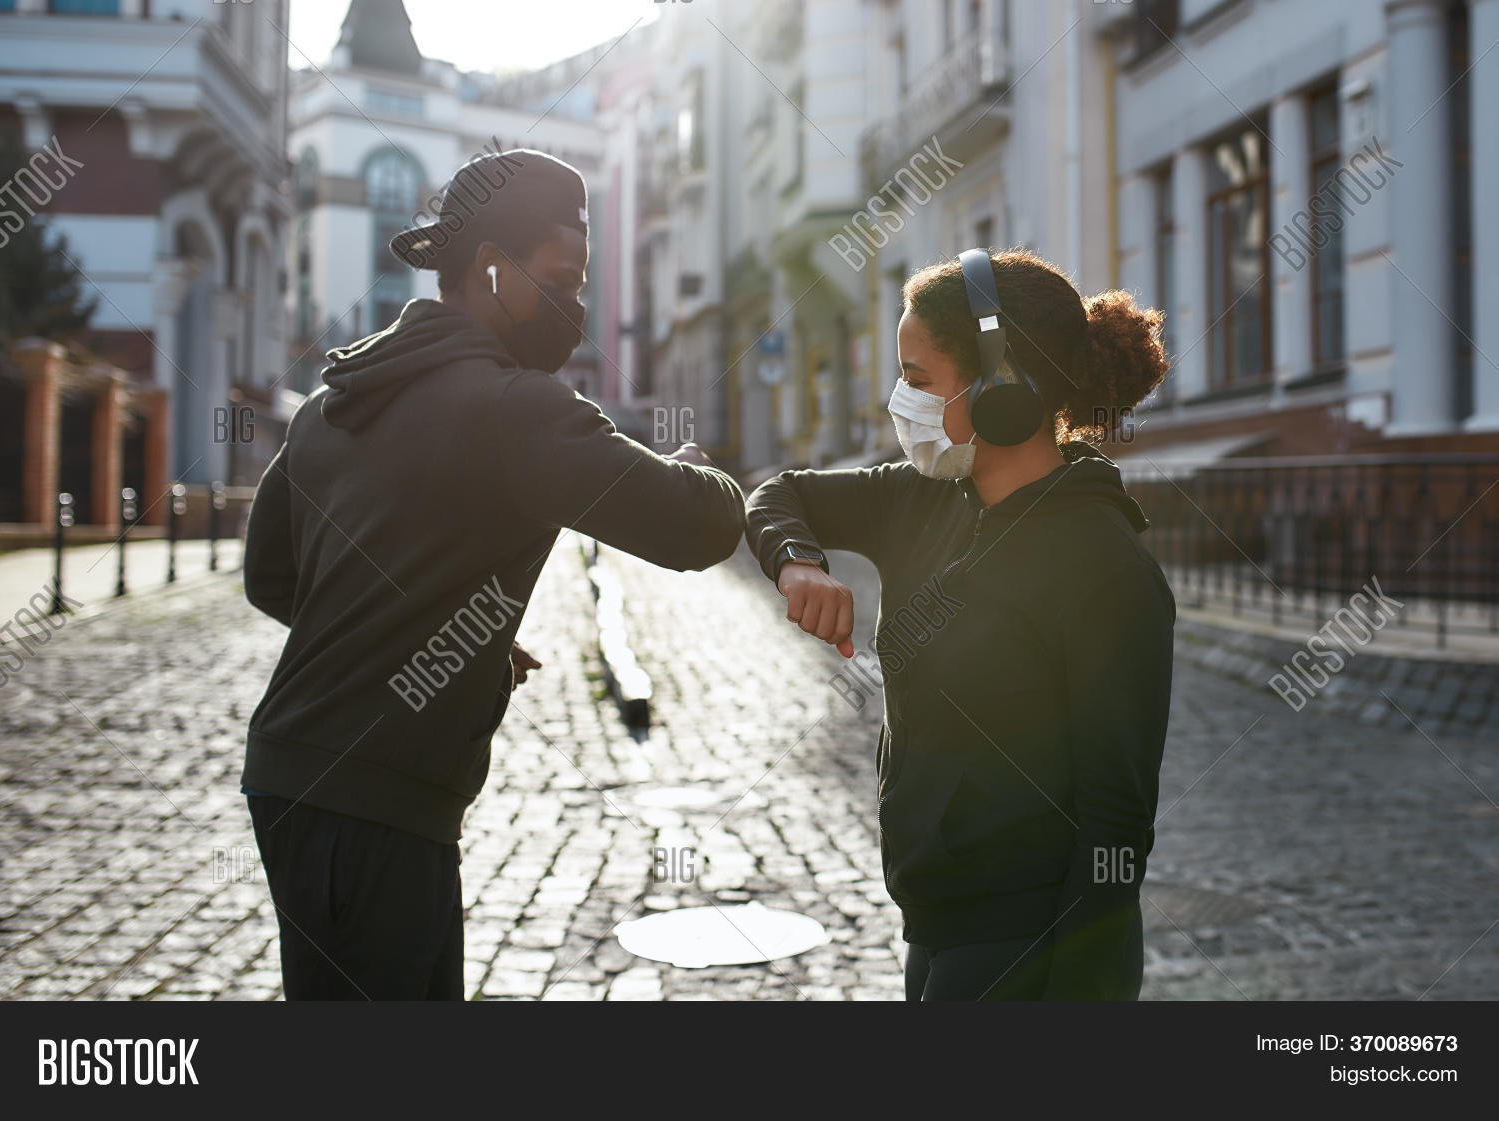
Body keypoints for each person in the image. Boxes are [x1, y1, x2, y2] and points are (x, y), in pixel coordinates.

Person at [240, 149, 745, 1000]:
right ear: (491, 269)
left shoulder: (334, 401)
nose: (576, 304)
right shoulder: (516, 409)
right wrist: (698, 468)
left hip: (296, 776)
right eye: (564, 276)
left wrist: (439, 628)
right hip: (377, 801)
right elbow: (700, 525)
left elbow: (270, 578)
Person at [745, 248, 1175, 1001]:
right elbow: (779, 494)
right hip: (931, 924)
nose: (898, 399)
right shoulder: (922, 496)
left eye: (916, 379)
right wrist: (796, 563)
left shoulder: (1106, 568)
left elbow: (1115, 823)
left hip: (1025, 948)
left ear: (1003, 388)